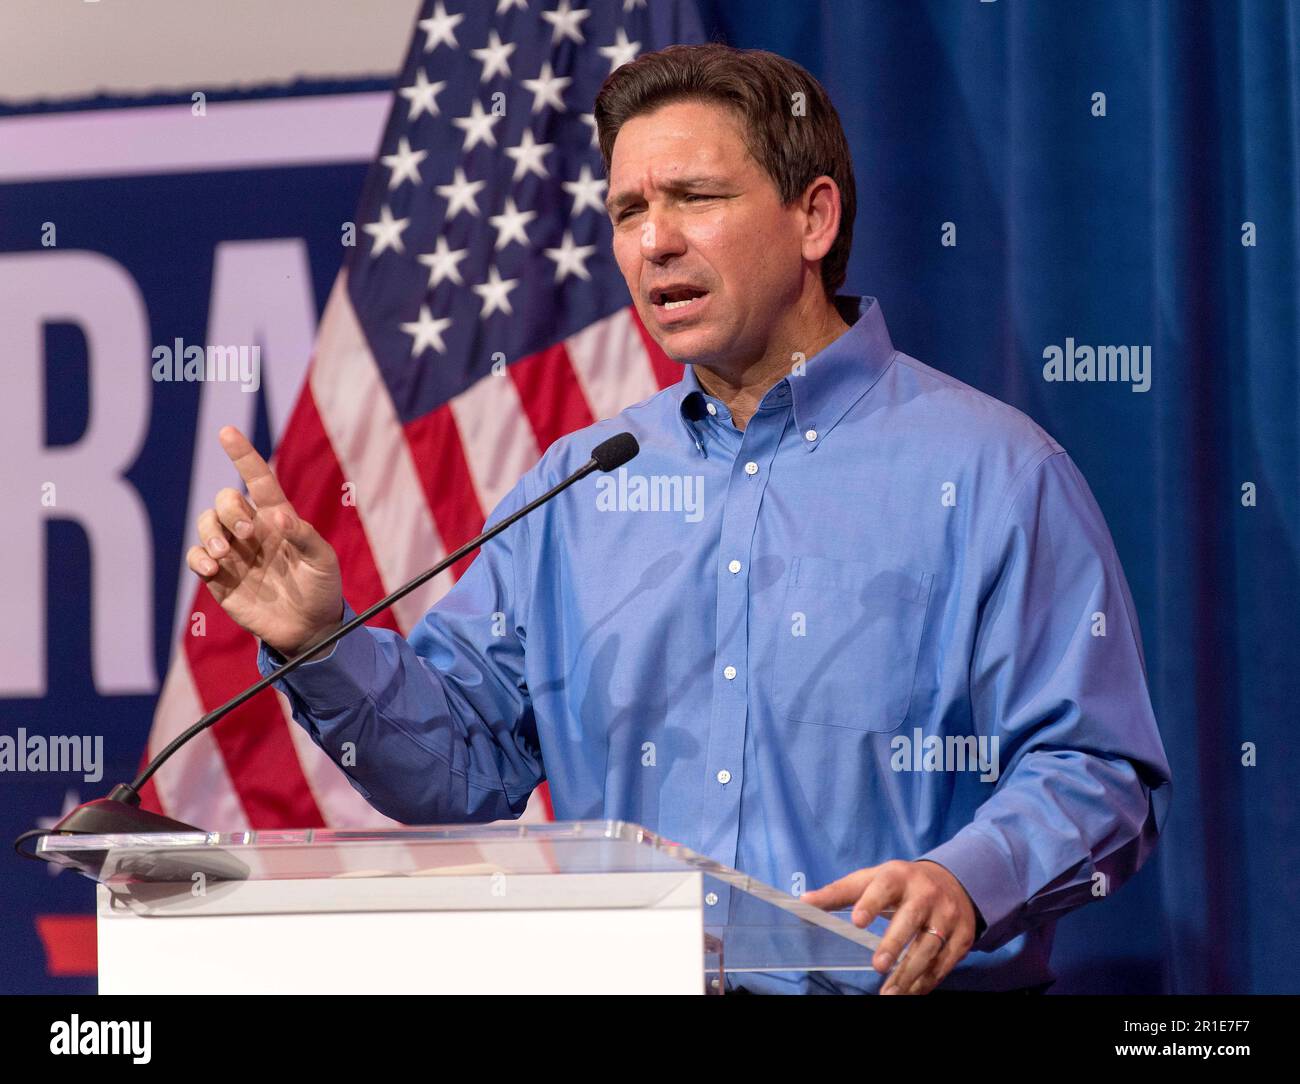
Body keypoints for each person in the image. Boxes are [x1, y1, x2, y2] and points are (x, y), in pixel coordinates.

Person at [187, 44, 1171, 994]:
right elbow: (459, 770)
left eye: (695, 198)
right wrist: (322, 641)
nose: (652, 240)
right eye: (627, 209)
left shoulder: (992, 473)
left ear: (812, 218)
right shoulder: (578, 483)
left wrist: (965, 880)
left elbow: (1096, 770)